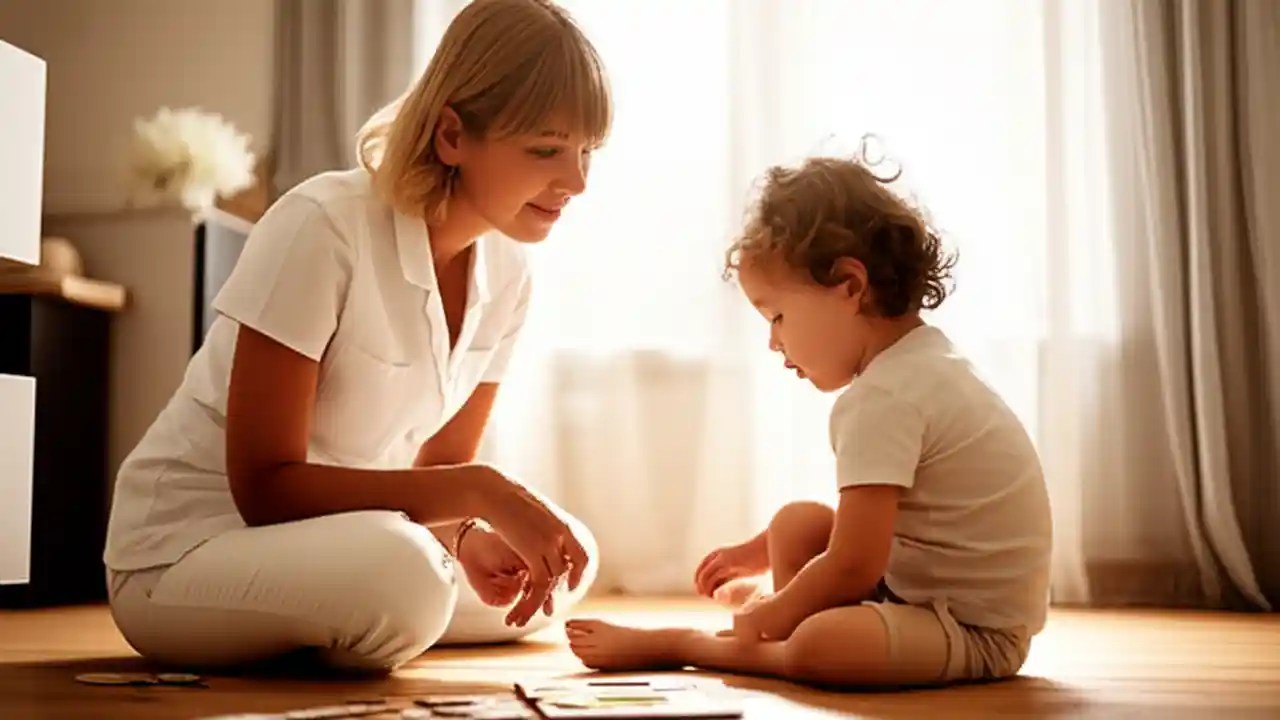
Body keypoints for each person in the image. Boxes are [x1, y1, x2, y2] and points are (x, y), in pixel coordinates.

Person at [103, 0, 611, 673]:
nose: (576, 181)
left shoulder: (509, 274)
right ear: (452, 136)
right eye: (546, 150)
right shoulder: (322, 224)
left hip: (351, 541)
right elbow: (265, 489)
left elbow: (437, 476)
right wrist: (480, 494)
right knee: (407, 581)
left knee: (567, 556)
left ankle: (357, 621)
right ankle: (369, 616)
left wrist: (466, 534)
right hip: (190, 552)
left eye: (587, 151)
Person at [567, 153, 1053, 688]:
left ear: (848, 284)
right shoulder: (923, 362)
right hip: (917, 593)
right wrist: (759, 555)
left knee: (821, 645)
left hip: (971, 628)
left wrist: (769, 616)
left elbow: (855, 564)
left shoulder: (884, 396)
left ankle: (692, 645)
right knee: (795, 523)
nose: (773, 342)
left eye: (777, 316)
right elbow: (881, 521)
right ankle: (775, 621)